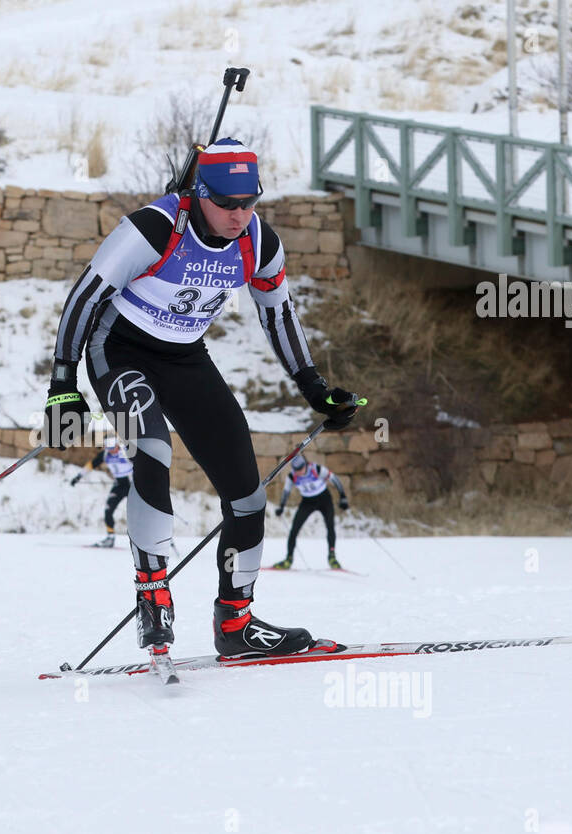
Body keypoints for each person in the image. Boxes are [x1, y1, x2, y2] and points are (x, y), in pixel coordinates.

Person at [42, 138, 361, 662]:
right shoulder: (153, 228)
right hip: (118, 349)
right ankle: (153, 594)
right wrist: (62, 386)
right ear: (199, 192)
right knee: (152, 448)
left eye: (249, 202)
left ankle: (235, 624)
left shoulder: (259, 243)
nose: (240, 215)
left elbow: (276, 314)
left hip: (185, 358)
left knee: (247, 494)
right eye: (227, 203)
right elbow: (85, 296)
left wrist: (315, 388)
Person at [271, 455, 348, 570]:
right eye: (296, 470)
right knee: (294, 529)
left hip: (324, 499)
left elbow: (334, 479)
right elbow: (286, 491)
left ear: (305, 465)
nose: (299, 473)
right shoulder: (292, 476)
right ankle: (289, 558)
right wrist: (281, 506)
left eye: (300, 469)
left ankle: (332, 557)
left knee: (330, 526)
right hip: (307, 502)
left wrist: (343, 497)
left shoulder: (316, 469)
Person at [70, 435, 132, 547]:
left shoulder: (126, 452)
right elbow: (91, 465)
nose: (112, 451)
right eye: (109, 448)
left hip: (132, 486)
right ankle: (110, 538)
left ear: (117, 444)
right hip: (118, 485)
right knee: (108, 510)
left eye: (114, 447)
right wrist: (78, 477)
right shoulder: (105, 455)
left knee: (140, 513)